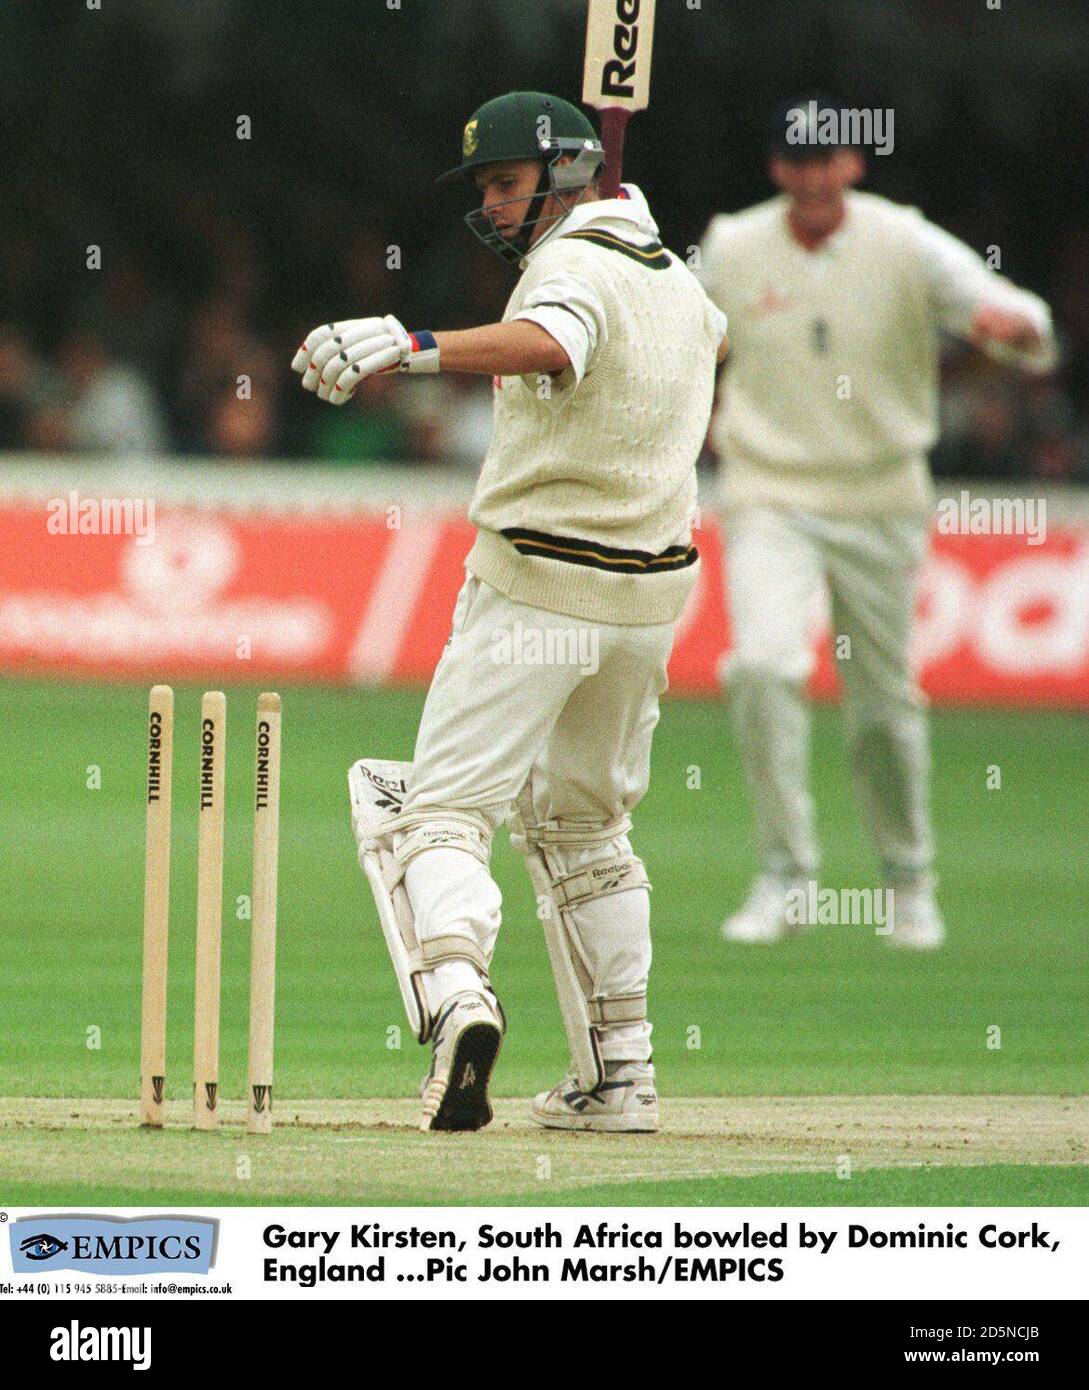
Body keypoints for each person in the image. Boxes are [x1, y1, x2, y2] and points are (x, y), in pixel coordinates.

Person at [293, 91, 728, 1131]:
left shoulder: (573, 266)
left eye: (504, 182)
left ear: (569, 171)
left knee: (431, 808)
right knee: (587, 831)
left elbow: (549, 341)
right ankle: (621, 1076)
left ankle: (456, 995)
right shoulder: (683, 285)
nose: (491, 206)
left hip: (536, 583)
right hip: (648, 595)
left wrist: (413, 346)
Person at [698, 96, 1057, 950]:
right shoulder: (732, 245)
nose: (813, 176)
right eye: (797, 162)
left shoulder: (903, 240)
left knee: (882, 705)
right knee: (760, 669)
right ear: (777, 170)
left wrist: (1009, 329)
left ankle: (907, 883)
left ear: (852, 165)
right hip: (767, 489)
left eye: (827, 161)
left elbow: (1020, 318)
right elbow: (679, 338)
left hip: (879, 493)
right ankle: (784, 876)